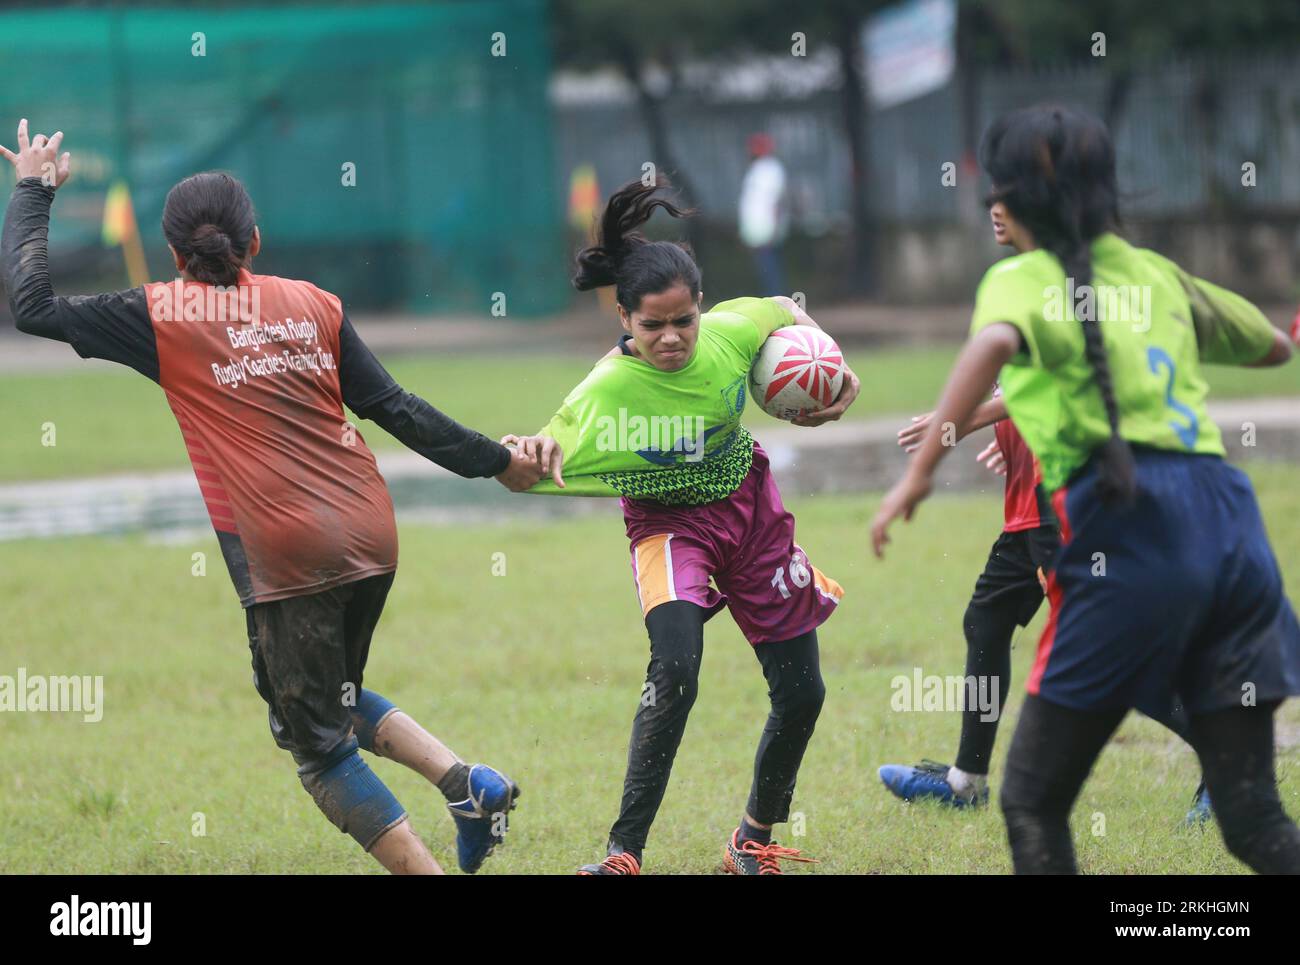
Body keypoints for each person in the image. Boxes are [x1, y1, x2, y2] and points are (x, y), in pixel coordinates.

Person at [1, 120, 542, 875]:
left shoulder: (160, 314)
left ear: (173, 254)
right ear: (255, 243)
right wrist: (497, 461)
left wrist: (33, 190)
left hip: (289, 554)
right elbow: (397, 407)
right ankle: (466, 784)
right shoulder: (314, 302)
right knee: (326, 695)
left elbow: (30, 305)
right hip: (372, 531)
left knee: (316, 745)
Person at [870, 104, 1300, 874]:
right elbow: (1272, 348)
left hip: (1130, 531)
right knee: (1254, 817)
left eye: (998, 188)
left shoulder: (1020, 280)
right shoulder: (1159, 274)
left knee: (1034, 801)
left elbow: (996, 342)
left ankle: (969, 778)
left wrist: (920, 468)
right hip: (1235, 533)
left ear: (1017, 200)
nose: (990, 205)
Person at [504, 176, 859, 874]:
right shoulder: (606, 390)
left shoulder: (728, 335)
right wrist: (527, 450)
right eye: (653, 326)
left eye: (683, 321)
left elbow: (786, 307)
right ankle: (623, 854)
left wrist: (839, 371)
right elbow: (542, 449)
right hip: (670, 529)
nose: (672, 338)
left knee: (804, 691)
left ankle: (750, 839)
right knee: (674, 671)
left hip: (751, 515)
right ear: (624, 322)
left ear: (701, 309)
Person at [879, 202, 1213, 826]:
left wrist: (963, 418)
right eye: (991, 196)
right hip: (1032, 498)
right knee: (986, 622)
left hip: (1065, 503)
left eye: (1011, 195)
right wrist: (1013, 438)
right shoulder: (1025, 276)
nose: (994, 209)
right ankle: (966, 780)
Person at [738, 133, 788, 297]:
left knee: (769, 264)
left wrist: (774, 227)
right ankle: (770, 297)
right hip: (757, 227)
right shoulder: (757, 168)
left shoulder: (771, 169)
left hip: (767, 226)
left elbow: (776, 200)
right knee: (763, 265)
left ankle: (776, 298)